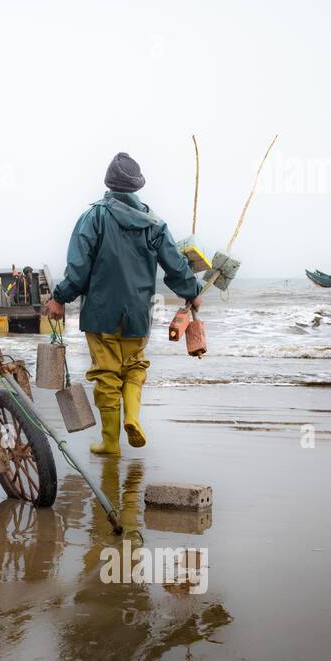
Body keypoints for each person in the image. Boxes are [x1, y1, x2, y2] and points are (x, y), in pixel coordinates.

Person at [44, 152, 201, 455]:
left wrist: (60, 298)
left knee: (106, 374)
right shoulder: (155, 224)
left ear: (108, 183)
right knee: (135, 367)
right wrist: (192, 291)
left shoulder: (94, 217)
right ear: (137, 186)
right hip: (138, 314)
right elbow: (176, 265)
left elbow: (78, 269)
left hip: (101, 314)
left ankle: (111, 442)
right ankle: (132, 417)